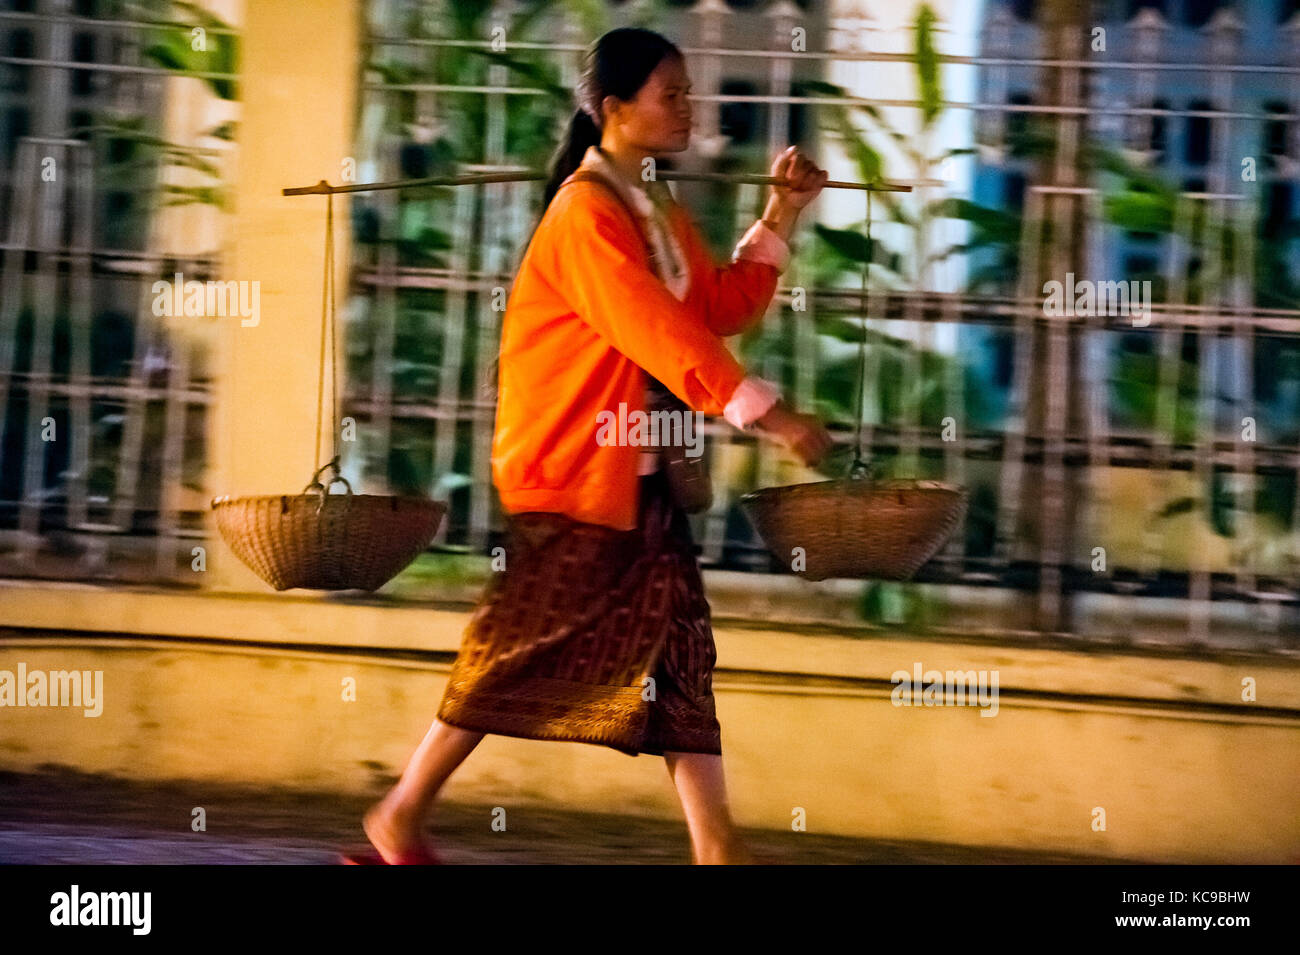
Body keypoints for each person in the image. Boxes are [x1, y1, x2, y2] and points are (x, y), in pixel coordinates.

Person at [362, 26, 832, 866]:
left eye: (690, 93)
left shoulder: (649, 205)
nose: (690, 108)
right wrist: (771, 414)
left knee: (682, 653)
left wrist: (780, 213)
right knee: (511, 652)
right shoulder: (586, 214)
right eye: (672, 95)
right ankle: (399, 813)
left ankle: (717, 845)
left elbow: (716, 308)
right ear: (614, 110)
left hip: (640, 476)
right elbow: (661, 335)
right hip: (575, 474)